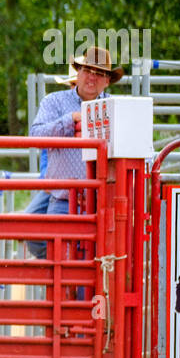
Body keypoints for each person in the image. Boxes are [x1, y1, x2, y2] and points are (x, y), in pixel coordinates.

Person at [26, 46, 123, 257]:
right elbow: (36, 137)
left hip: (101, 203)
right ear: (78, 73)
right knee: (60, 261)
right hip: (63, 198)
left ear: (107, 81)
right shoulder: (54, 102)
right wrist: (70, 120)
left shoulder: (116, 107)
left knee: (93, 265)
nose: (92, 77)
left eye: (100, 73)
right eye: (88, 71)